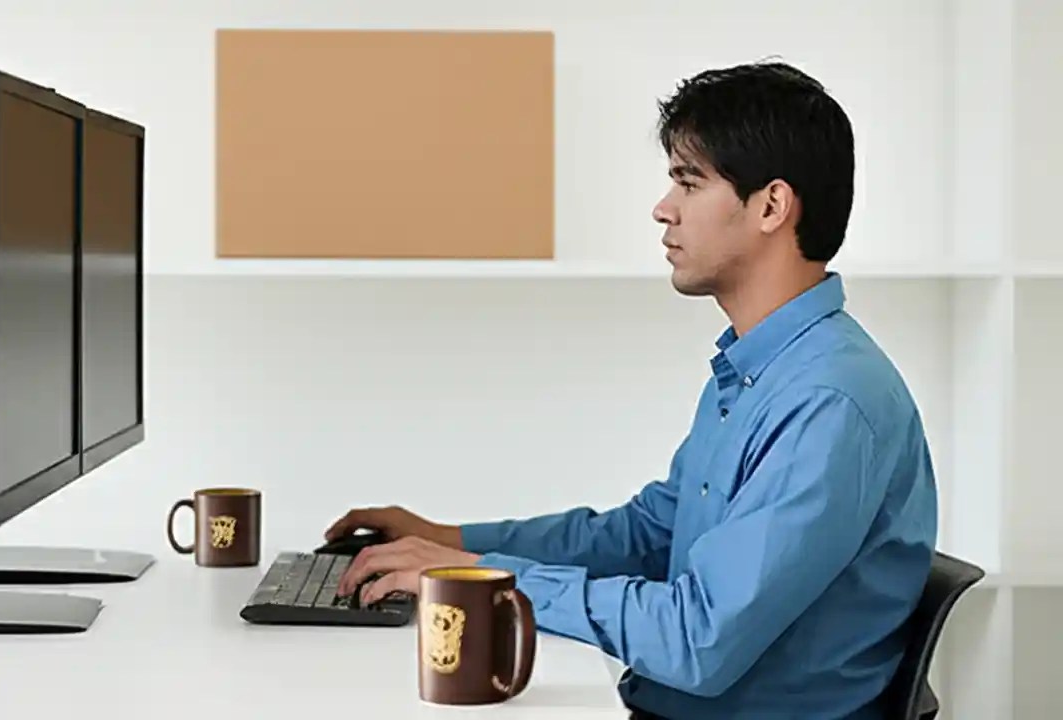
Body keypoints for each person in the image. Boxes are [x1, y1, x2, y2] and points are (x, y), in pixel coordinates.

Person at [326, 61, 937, 719]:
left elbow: (697, 637)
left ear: (770, 206)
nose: (663, 208)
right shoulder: (764, 370)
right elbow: (646, 536)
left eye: (689, 181)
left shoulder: (827, 400)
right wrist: (451, 542)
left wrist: (482, 581)